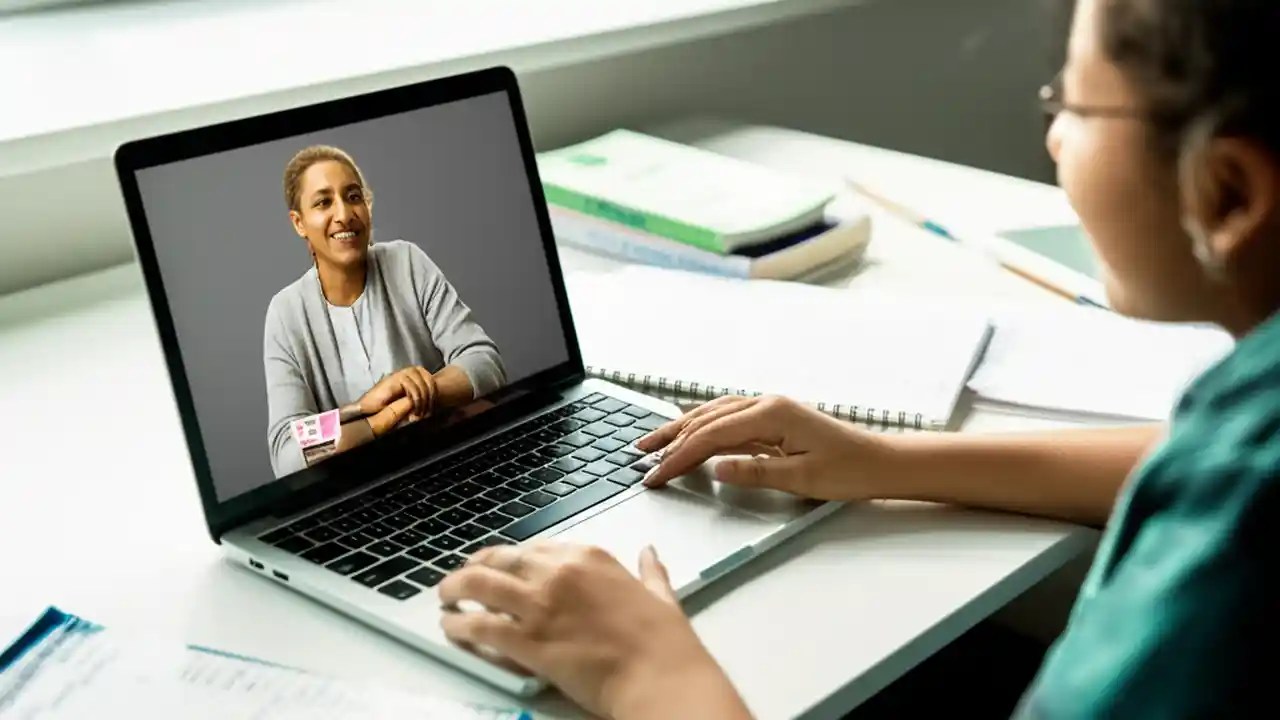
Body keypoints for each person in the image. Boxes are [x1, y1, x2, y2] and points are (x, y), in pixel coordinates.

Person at [435, 0, 1280, 716]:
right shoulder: (1247, 414)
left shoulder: (1241, 522)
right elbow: (1182, 451)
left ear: (1230, 194)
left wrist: (645, 673)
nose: (1056, 141)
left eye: (1077, 107)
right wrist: (882, 458)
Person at [264, 145, 507, 478]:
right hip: (360, 497)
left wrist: (421, 392)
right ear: (299, 223)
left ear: (367, 205)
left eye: (353, 197)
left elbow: (485, 362)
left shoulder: (407, 262)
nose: (344, 214)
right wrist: (372, 415)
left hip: (448, 467)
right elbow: (288, 453)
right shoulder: (286, 313)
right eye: (323, 202)